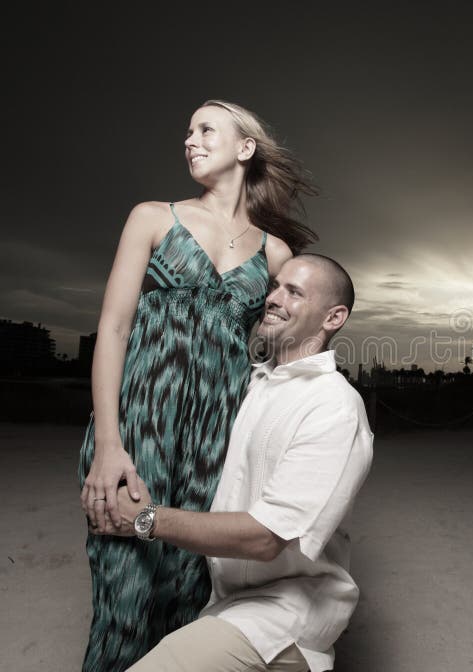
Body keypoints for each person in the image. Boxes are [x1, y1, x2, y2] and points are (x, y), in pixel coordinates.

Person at [78, 99, 318, 671]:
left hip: (219, 443)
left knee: (191, 605)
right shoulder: (152, 218)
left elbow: (289, 345)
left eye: (205, 129)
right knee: (125, 600)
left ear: (245, 148)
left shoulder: (276, 253)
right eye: (187, 132)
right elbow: (113, 329)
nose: (189, 140)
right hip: (139, 426)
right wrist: (109, 444)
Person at [95, 253, 373, 672]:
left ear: (333, 317)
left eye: (294, 292)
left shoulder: (335, 406)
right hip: (225, 604)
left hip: (283, 614)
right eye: (275, 286)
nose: (273, 298)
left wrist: (146, 519)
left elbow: (265, 538)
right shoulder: (253, 383)